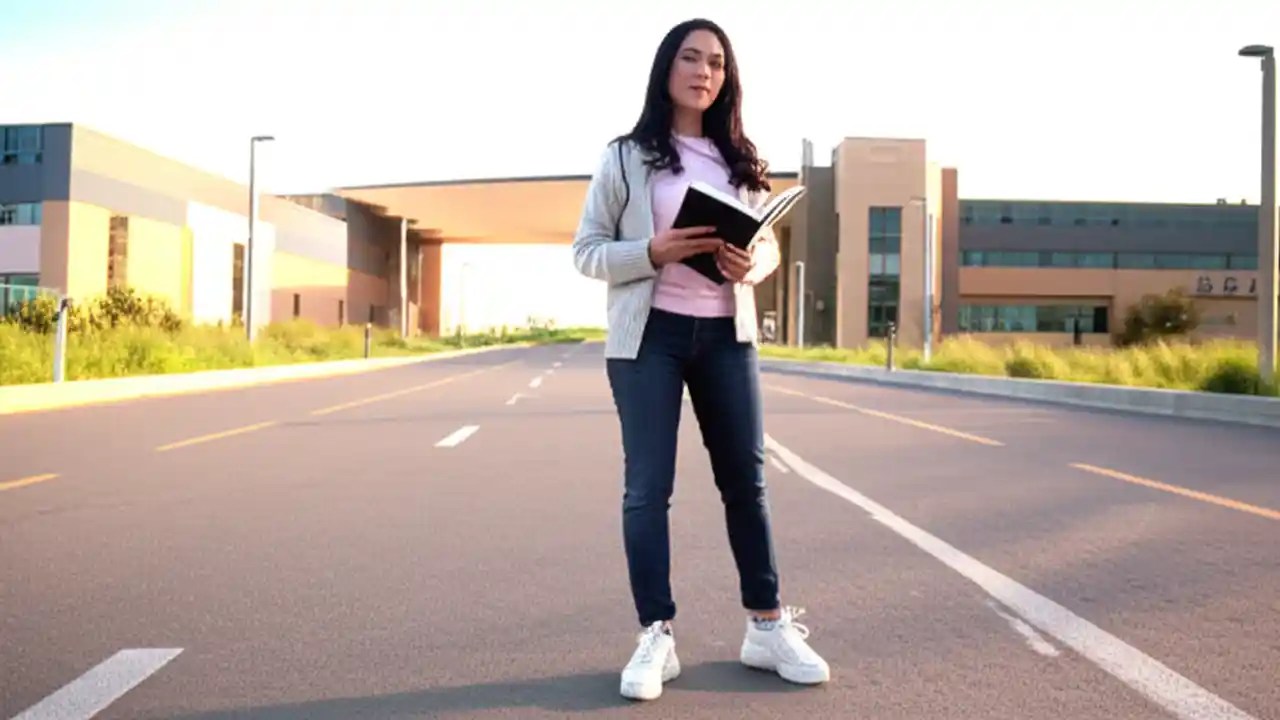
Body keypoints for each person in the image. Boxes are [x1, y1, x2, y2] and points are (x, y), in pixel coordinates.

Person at [571, 17, 830, 702]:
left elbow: (768, 245)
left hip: (724, 338)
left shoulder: (741, 159)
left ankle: (766, 626)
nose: (704, 71)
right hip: (649, 339)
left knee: (747, 484)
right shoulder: (625, 156)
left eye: (716, 62)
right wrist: (651, 253)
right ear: (666, 70)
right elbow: (587, 250)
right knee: (647, 489)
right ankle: (656, 634)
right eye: (691, 58)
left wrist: (751, 262)